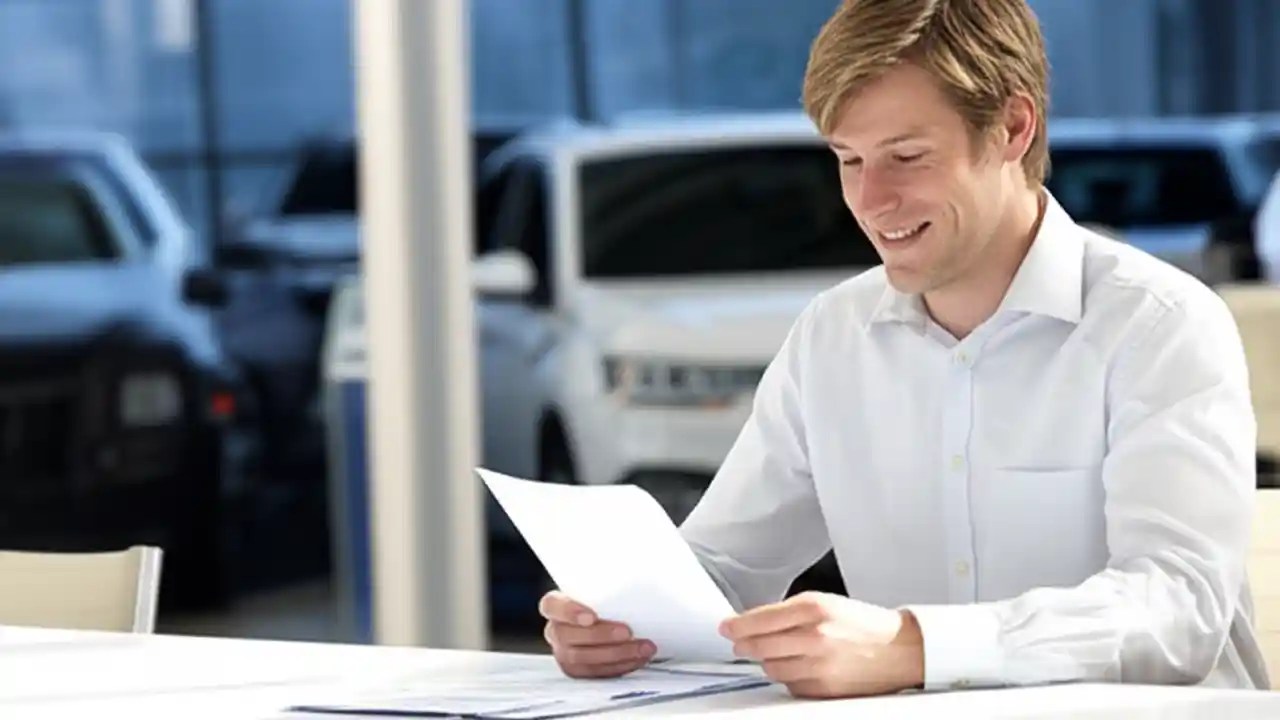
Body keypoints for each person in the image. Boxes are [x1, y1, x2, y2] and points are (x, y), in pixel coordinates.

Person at [538, 0, 1269, 698]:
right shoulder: (832, 337)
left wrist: (913, 648)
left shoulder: (1158, 325)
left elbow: (1178, 607)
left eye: (907, 156)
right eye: (849, 160)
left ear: (1013, 129)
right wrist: (627, 624)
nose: (870, 200)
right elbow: (725, 567)